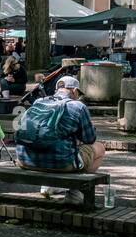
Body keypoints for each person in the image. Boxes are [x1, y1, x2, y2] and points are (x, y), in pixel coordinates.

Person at [14, 75, 106, 205]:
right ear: (74, 91)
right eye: (78, 93)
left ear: (57, 89)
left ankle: (49, 186)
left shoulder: (38, 102)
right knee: (99, 148)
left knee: (59, 144)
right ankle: (75, 192)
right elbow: (90, 138)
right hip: (61, 164)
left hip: (25, 160)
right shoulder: (78, 106)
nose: (78, 96)